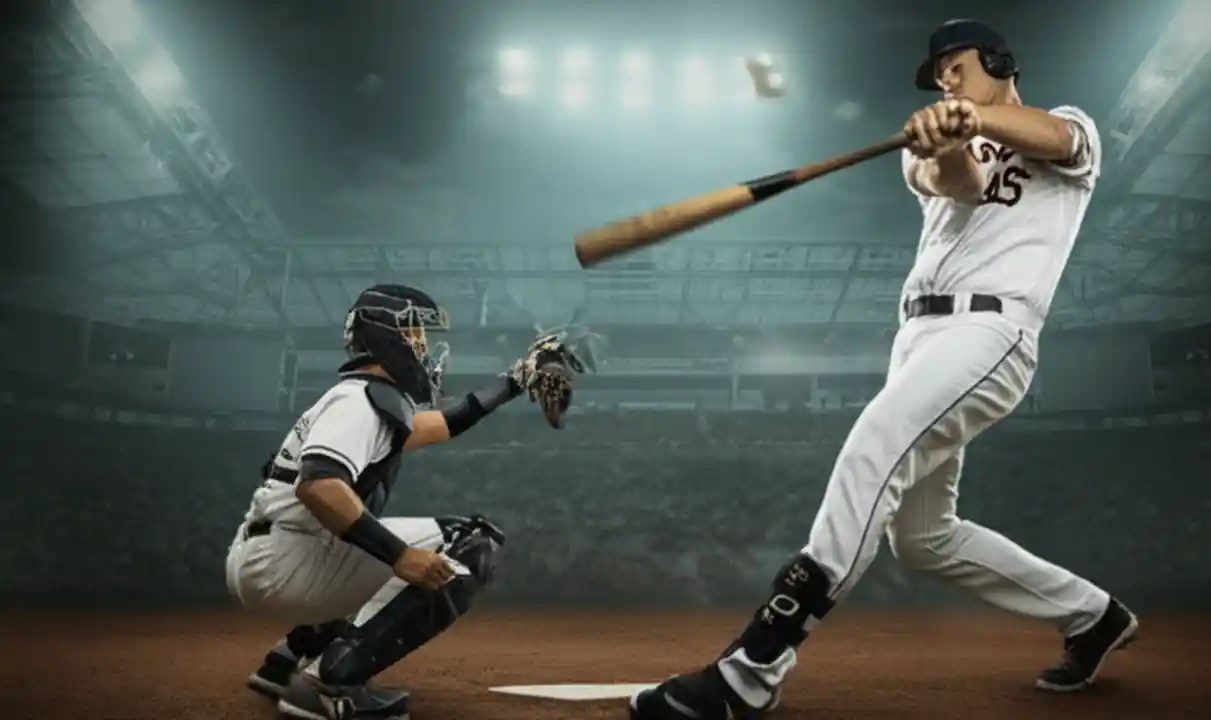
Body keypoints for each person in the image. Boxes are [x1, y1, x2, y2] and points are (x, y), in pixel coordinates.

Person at [630, 18, 1138, 720]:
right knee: (923, 538)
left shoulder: (1064, 123)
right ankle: (1094, 614)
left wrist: (976, 116)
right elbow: (956, 185)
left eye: (954, 66)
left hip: (991, 329)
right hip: (920, 336)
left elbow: (1059, 141)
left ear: (996, 58)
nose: (944, 81)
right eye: (938, 77)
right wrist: (953, 138)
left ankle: (754, 667)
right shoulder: (927, 140)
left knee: (874, 449)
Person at [224, 283, 579, 720]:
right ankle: (328, 684)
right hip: (287, 560)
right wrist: (400, 556)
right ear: (385, 336)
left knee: (399, 548)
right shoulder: (359, 400)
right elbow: (319, 484)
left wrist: (514, 379)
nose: (422, 345)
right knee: (468, 544)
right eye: (413, 333)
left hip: (284, 551)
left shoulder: (368, 399)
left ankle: (290, 659)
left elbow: (441, 422)